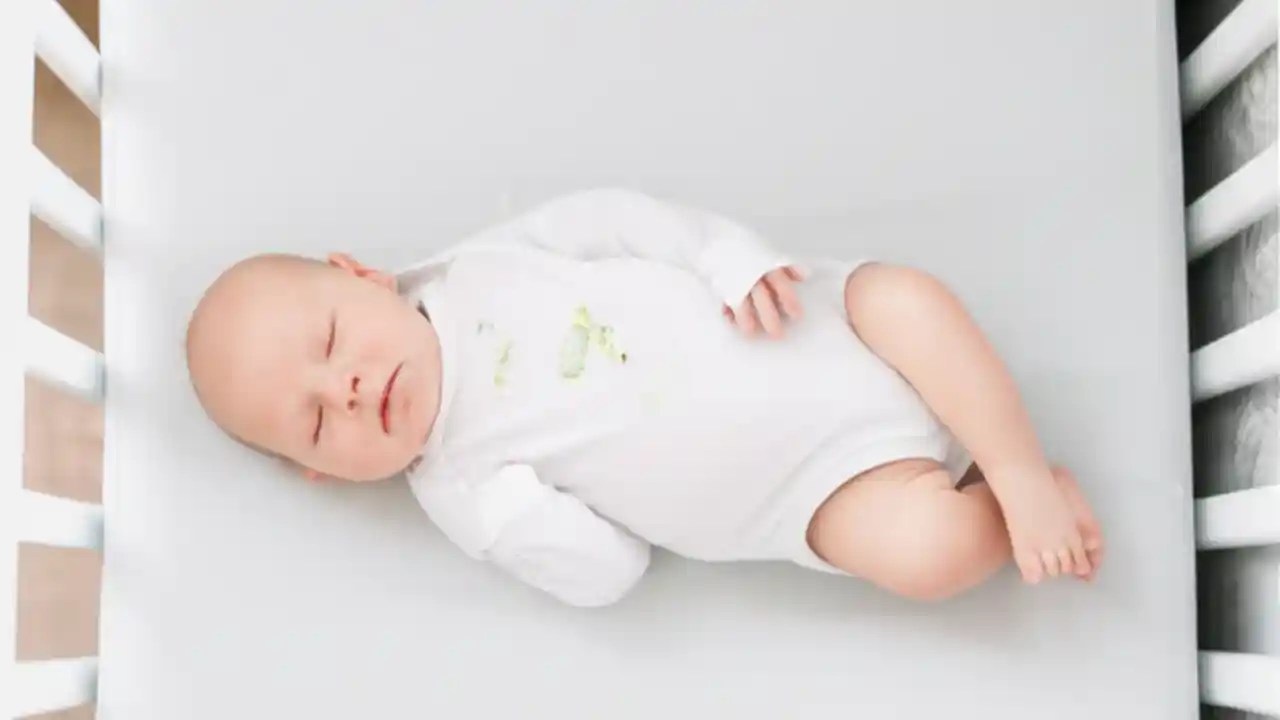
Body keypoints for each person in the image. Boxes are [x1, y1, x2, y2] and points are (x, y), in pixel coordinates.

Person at [185, 188, 1103, 607]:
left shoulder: (480, 267)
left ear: (361, 275)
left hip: (814, 326)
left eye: (332, 341)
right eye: (316, 421)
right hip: (818, 492)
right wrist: (517, 518)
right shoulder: (465, 493)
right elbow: (609, 572)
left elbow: (611, 219)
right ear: (323, 472)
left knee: (908, 297)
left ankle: (1017, 474)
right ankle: (1003, 508)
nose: (344, 389)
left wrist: (721, 256)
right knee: (927, 557)